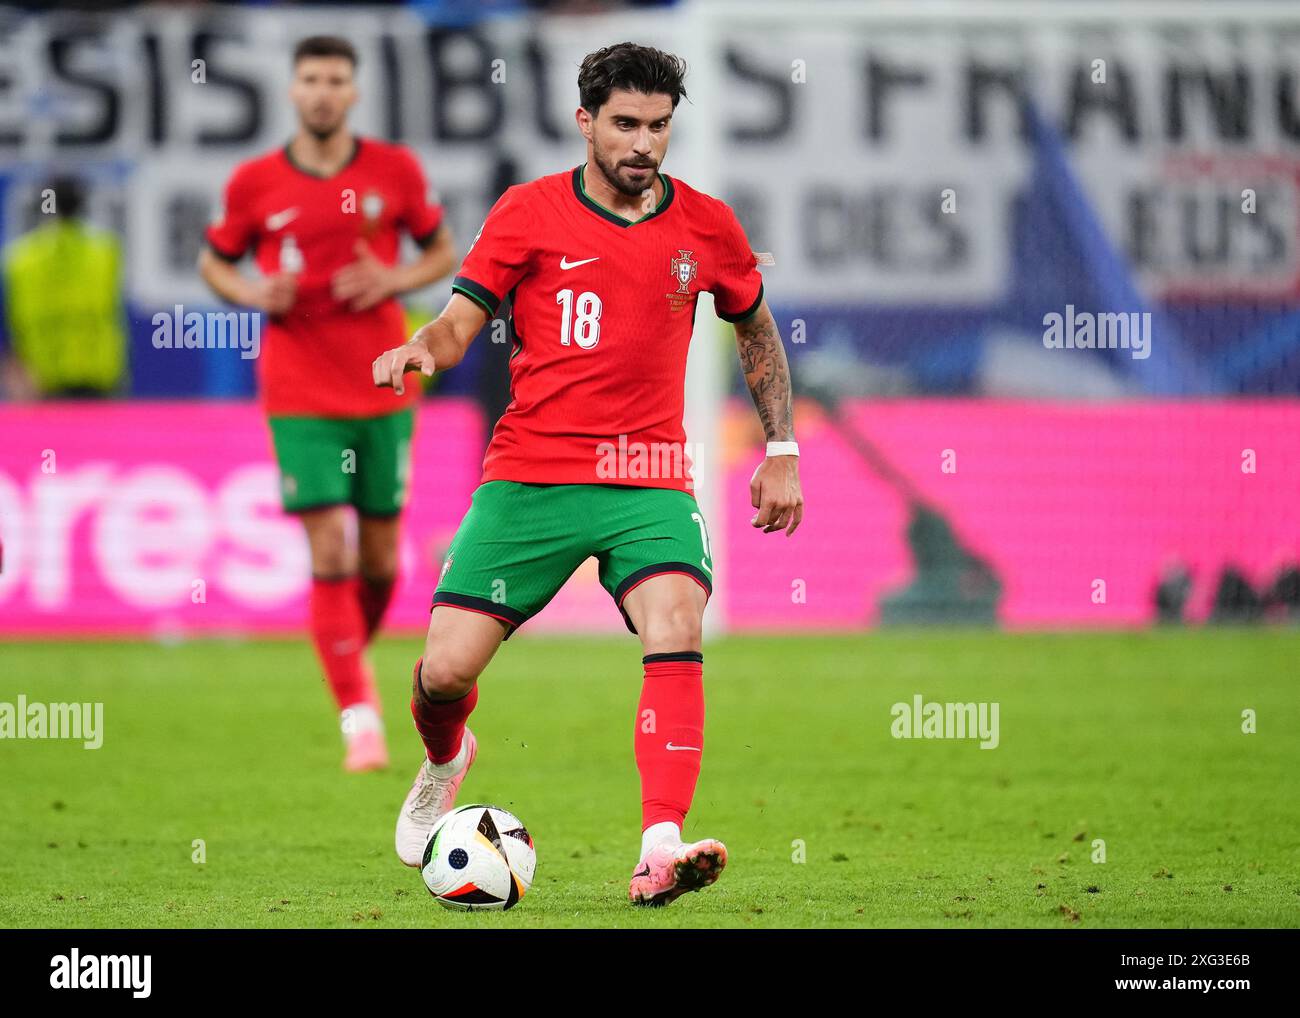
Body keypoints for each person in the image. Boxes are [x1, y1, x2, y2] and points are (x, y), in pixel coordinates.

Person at [372, 42, 804, 906]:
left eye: (659, 126)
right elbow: (462, 324)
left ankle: (659, 846)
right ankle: (446, 756)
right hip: (532, 474)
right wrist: (424, 345)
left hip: (649, 477)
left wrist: (781, 449)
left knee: (677, 618)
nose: (644, 143)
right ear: (586, 123)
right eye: (625, 124)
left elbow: (754, 330)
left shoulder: (707, 225)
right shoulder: (527, 213)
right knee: (445, 673)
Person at [199, 35, 457, 772]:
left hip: (382, 384)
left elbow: (442, 252)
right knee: (330, 549)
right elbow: (214, 257)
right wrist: (251, 292)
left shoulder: (393, 170)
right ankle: (360, 716)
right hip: (299, 389)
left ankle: (346, 657)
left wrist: (394, 279)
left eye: (335, 79)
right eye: (309, 78)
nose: (321, 91)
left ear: (353, 92)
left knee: (380, 561)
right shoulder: (256, 182)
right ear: (292, 90)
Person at [2, 176, 128, 400]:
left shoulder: (19, 258)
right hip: (99, 375)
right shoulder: (106, 252)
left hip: (41, 379)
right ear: (83, 204)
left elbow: (11, 323)